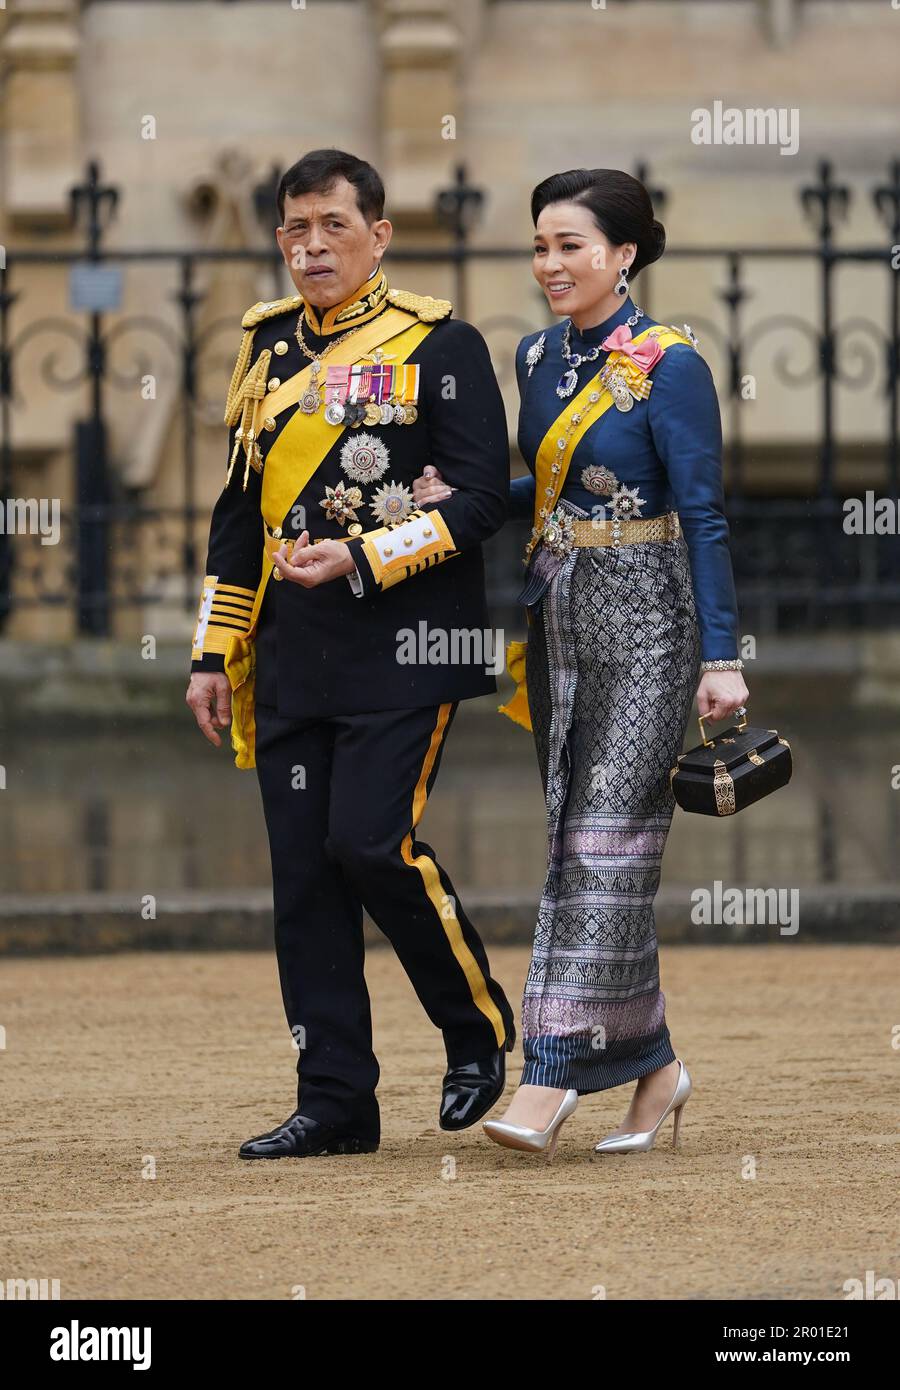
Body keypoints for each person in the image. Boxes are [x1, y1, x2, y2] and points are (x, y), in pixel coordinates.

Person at [413, 167, 749, 1161]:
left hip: (651, 618)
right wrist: (465, 490)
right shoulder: (536, 354)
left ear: (625, 254)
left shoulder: (672, 362)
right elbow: (551, 485)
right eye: (541, 246)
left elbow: (704, 513)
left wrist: (722, 657)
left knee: (605, 839)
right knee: (582, 839)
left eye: (571, 245)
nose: (551, 264)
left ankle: (550, 1072)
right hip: (557, 616)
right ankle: (657, 1072)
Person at [186, 148, 516, 1159]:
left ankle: (478, 1032)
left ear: (379, 234)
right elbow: (240, 513)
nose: (313, 245)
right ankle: (335, 1097)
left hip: (405, 644)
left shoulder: (441, 343)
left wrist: (367, 555)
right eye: (296, 227)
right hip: (293, 656)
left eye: (334, 225)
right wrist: (213, 648)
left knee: (371, 842)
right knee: (305, 880)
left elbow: (482, 498)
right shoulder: (268, 347)